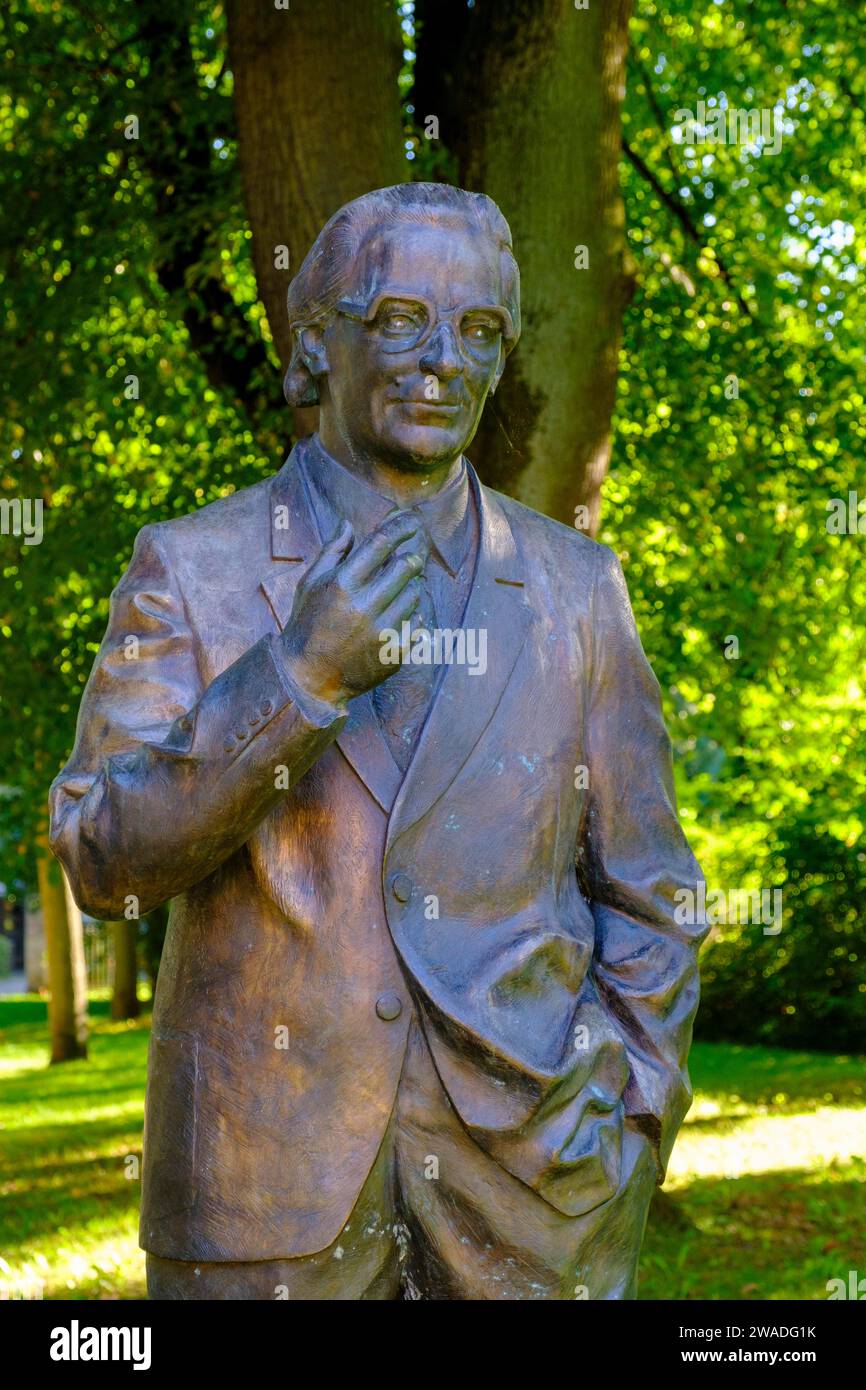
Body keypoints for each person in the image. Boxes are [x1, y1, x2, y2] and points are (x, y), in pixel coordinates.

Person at [50, 183, 707, 1300]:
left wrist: (634, 1110)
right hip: (259, 1202)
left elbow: (648, 894)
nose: (441, 359)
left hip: (536, 1198)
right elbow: (102, 864)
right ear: (317, 346)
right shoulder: (194, 568)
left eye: (479, 329)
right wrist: (297, 675)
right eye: (400, 318)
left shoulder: (576, 590)